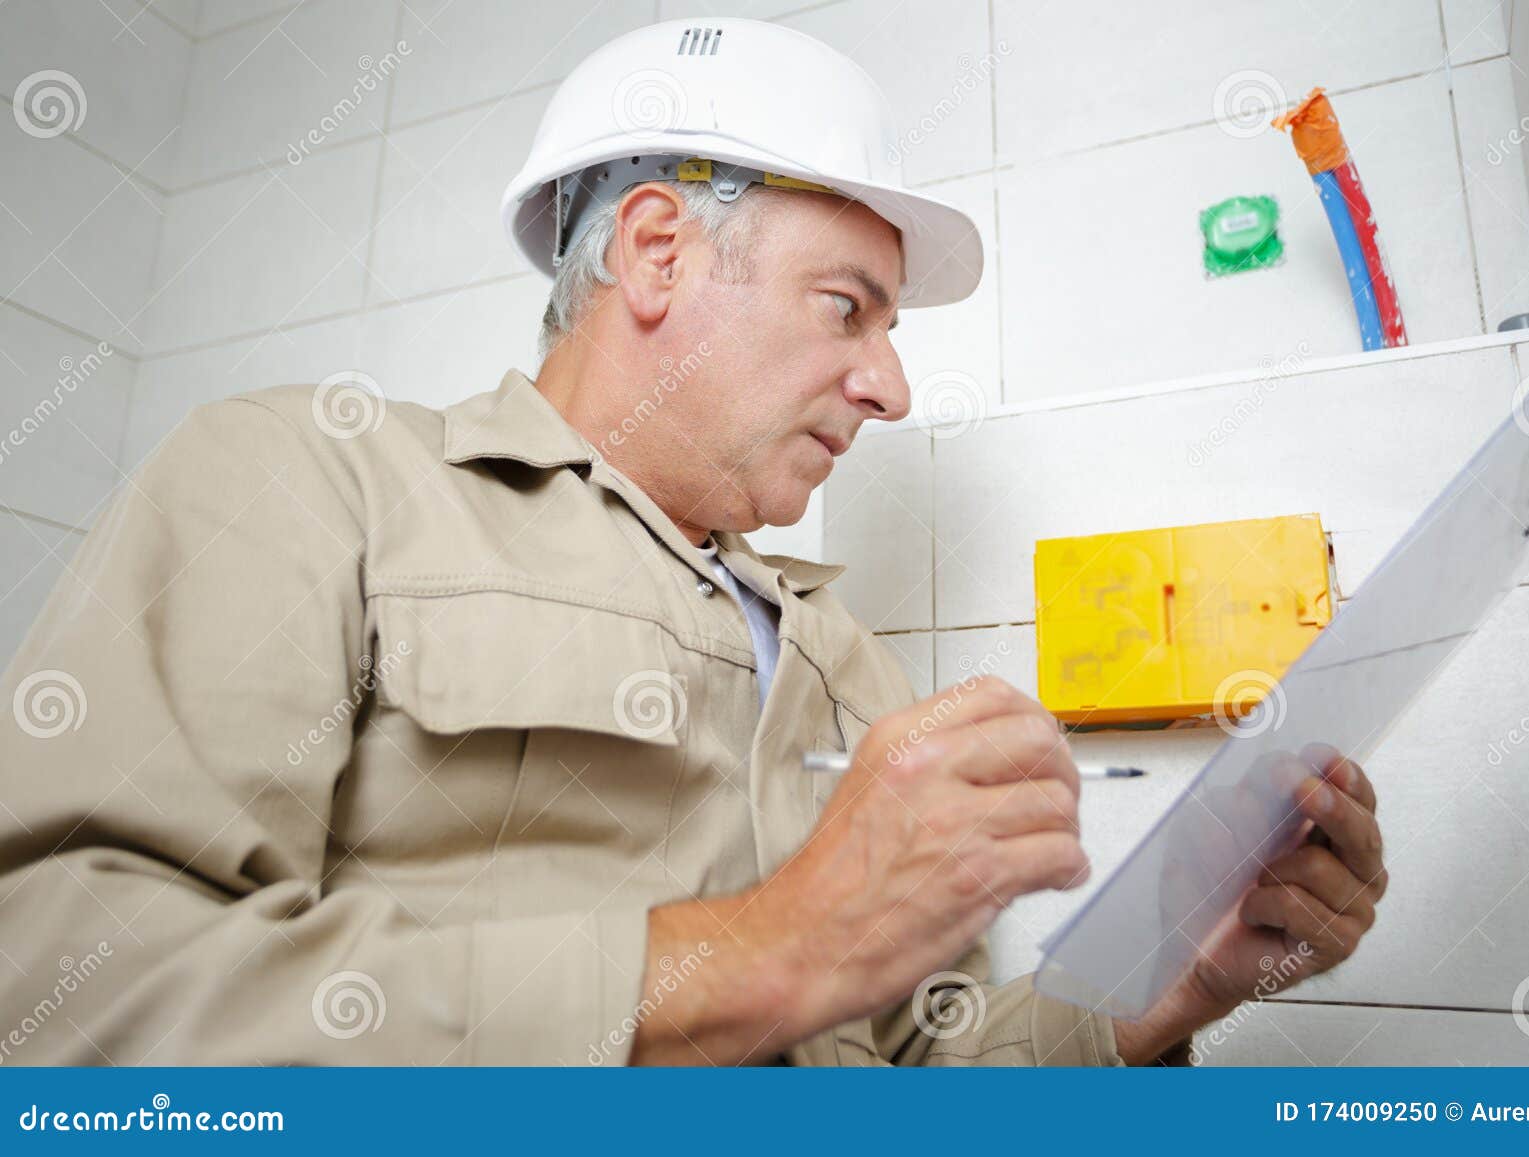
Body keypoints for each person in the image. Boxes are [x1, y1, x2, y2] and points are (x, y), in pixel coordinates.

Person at [0, 18, 1386, 1067]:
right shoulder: (311, 478)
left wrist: (1177, 981)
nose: (893, 387)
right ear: (658, 253)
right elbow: (61, 987)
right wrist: (754, 958)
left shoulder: (843, 656)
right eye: (852, 308)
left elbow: (931, 1060)